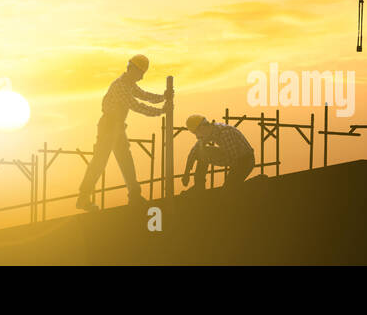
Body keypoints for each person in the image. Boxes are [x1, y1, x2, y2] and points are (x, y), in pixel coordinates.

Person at [76, 54, 167, 211]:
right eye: (141, 73)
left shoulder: (128, 84)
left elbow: (143, 95)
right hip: (109, 127)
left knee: (126, 162)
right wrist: (160, 111)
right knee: (99, 163)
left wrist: (162, 98)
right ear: (132, 69)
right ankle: (83, 198)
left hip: (116, 128)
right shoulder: (121, 86)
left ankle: (134, 196)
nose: (142, 77)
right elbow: (137, 106)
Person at [180, 114, 255, 190]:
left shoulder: (225, 134)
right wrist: (186, 173)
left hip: (244, 161)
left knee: (228, 190)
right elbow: (194, 151)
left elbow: (234, 160)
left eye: (196, 133)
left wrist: (210, 158)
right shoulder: (210, 131)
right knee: (201, 151)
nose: (197, 136)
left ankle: (253, 185)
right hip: (231, 155)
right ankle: (199, 186)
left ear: (202, 127)